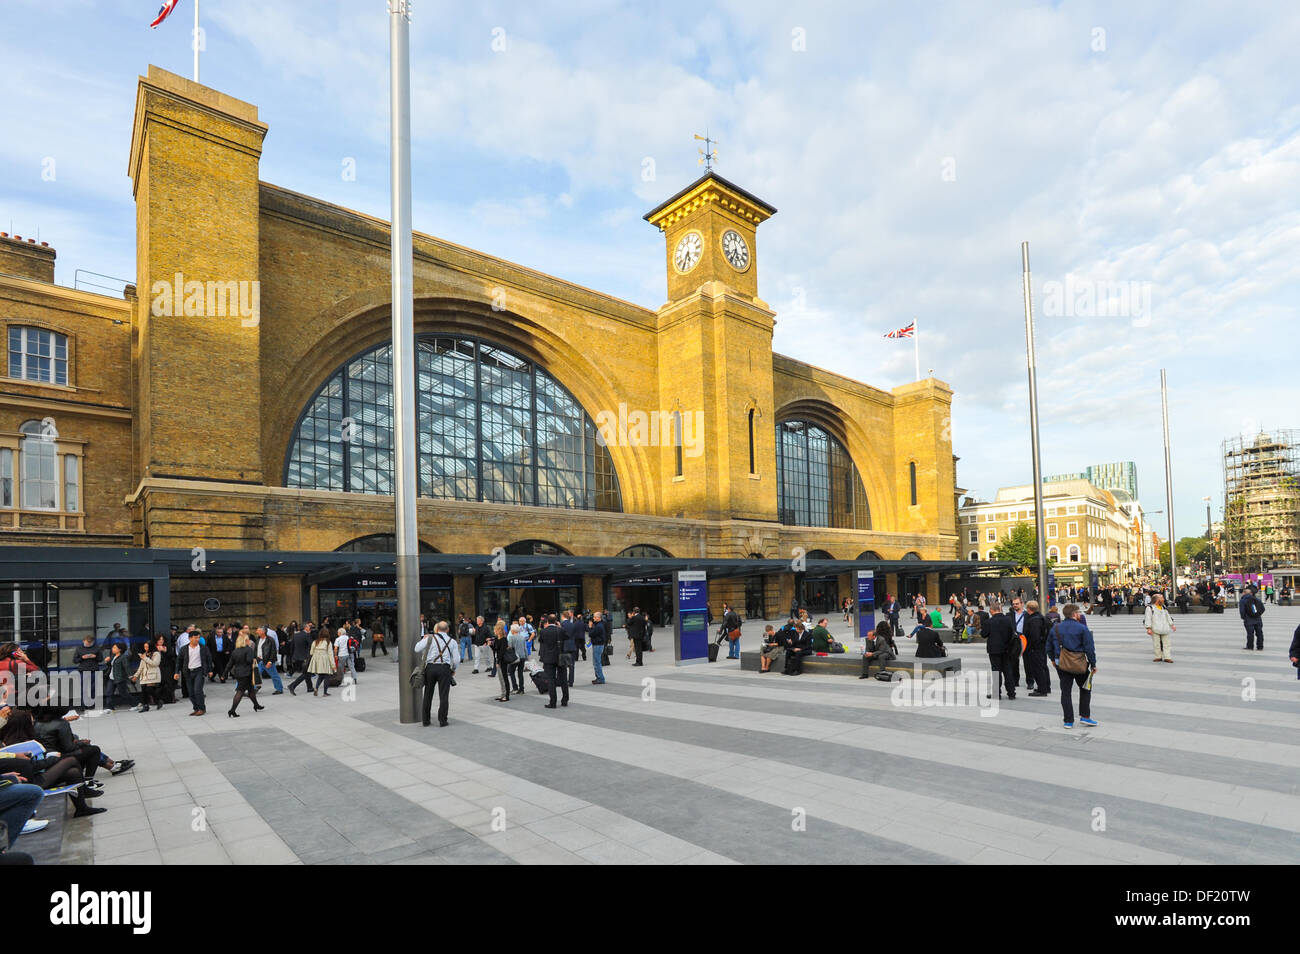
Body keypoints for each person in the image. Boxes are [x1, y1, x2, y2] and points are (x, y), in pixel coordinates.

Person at [1048, 604, 1097, 728]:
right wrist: (1093, 664)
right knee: (1085, 688)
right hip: (1079, 664)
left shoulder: (1056, 628)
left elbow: (1048, 646)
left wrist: (1053, 659)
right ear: (1074, 614)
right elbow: (1089, 648)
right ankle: (1085, 716)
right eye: (1079, 612)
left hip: (1062, 663)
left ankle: (1068, 721)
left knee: (1065, 692)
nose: (1080, 614)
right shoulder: (1082, 628)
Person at [415, 621, 458, 727]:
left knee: (428, 694)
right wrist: (453, 669)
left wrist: (424, 639)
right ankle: (442, 720)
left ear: (437, 629)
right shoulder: (452, 641)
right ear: (447, 630)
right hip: (444, 668)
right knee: (444, 695)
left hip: (430, 667)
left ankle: (426, 720)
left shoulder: (430, 638)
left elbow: (416, 649)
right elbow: (456, 659)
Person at [983, 603, 1019, 700]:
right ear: (1000, 609)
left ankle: (996, 694)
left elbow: (984, 634)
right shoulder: (1008, 620)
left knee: (996, 671)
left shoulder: (989, 622)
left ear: (991, 610)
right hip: (1007, 649)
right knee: (1008, 671)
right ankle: (1011, 693)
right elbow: (1012, 633)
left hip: (994, 650)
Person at [223, 632, 264, 718]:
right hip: (247, 673)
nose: (249, 641)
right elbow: (249, 661)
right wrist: (257, 659)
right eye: (248, 639)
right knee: (240, 692)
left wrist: (224, 674)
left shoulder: (235, 651)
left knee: (251, 690)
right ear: (245, 641)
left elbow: (230, 664)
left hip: (238, 673)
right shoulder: (248, 649)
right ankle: (232, 710)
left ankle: (256, 705)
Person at [175, 630, 214, 715]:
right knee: (191, 692)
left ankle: (202, 708)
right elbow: (179, 661)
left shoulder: (203, 648)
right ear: (190, 638)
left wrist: (210, 670)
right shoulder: (184, 649)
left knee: (197, 690)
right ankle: (196, 708)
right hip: (188, 672)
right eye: (195, 638)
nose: (197, 639)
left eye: (198, 637)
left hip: (199, 671)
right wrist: (176, 672)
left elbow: (209, 659)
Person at [537, 614, 569, 708]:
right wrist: (560, 627)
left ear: (547, 621)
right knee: (563, 679)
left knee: (551, 680)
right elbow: (567, 637)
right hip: (561, 656)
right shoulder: (560, 629)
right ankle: (565, 700)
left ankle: (553, 702)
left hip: (549, 658)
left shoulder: (544, 631)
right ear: (556, 621)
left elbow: (541, 641)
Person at [1023, 600, 1051, 696]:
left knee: (1038, 668)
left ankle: (1042, 689)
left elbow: (1034, 636)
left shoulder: (1033, 620)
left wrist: (1030, 647)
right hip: (1042, 647)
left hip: (1035, 648)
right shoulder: (1041, 617)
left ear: (1028, 609)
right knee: (1043, 667)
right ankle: (1046, 687)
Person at [1144, 593, 1177, 663]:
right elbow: (1148, 618)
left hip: (1165, 628)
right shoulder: (1150, 608)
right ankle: (1158, 656)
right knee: (1156, 643)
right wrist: (1148, 628)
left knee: (1167, 643)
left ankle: (1167, 657)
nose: (1163, 599)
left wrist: (1172, 625)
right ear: (1157, 600)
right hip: (1155, 628)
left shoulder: (1163, 607)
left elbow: (1168, 616)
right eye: (1161, 598)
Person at [130, 643, 164, 711]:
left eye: (147, 647)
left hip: (152, 675)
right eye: (145, 647)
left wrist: (145, 658)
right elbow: (141, 667)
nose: (146, 648)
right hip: (144, 676)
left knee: (149, 689)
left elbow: (155, 664)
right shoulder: (144, 655)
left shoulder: (156, 654)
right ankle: (145, 706)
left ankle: (158, 700)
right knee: (144, 692)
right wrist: (136, 676)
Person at [74, 636, 103, 711]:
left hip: (94, 670)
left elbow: (101, 659)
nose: (89, 644)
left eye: (90, 643)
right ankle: (83, 705)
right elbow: (75, 660)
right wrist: (82, 658)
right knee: (83, 689)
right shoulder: (79, 648)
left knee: (93, 689)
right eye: (87, 642)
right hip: (83, 671)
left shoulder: (96, 648)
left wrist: (95, 657)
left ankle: (91, 704)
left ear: (93, 642)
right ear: (83, 641)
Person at [255, 626, 284, 694]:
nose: (257, 632)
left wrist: (270, 661)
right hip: (259, 660)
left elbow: (273, 651)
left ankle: (279, 689)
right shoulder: (258, 639)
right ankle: (254, 688)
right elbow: (256, 650)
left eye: (258, 630)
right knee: (255, 675)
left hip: (267, 661)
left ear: (263, 632)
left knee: (274, 675)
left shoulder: (270, 640)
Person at [307, 631, 336, 697]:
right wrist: (333, 665)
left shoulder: (315, 642)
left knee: (320, 676)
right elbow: (330, 654)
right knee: (327, 676)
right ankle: (325, 692)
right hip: (324, 659)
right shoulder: (328, 642)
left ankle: (316, 688)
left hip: (316, 659)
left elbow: (311, 652)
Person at [288, 622, 314, 693]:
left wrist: (292, 656)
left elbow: (292, 647)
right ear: (305, 628)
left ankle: (310, 687)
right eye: (309, 627)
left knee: (307, 673)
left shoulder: (295, 635)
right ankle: (292, 685)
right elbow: (311, 646)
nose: (310, 628)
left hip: (297, 657)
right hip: (305, 657)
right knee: (306, 673)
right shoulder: (307, 635)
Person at [1239, 586, 1265, 651]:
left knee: (1250, 633)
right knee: (1259, 633)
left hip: (1248, 619)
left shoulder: (1243, 600)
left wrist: (1244, 617)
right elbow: (1263, 608)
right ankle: (1260, 646)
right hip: (1258, 619)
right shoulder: (1257, 599)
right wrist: (1258, 614)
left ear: (1244, 593)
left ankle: (1250, 646)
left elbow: (1242, 611)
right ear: (1251, 593)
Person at [508, 622, 530, 692]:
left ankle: (515, 687)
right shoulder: (522, 637)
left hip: (515, 658)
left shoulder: (511, 638)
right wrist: (526, 657)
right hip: (522, 656)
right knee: (520, 673)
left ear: (513, 630)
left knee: (511, 672)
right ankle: (521, 688)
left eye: (511, 629)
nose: (511, 630)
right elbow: (525, 648)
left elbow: (510, 648)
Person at [588, 612, 608, 685]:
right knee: (596, 662)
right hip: (598, 644)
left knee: (597, 662)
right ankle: (598, 677)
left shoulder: (599, 626)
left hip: (598, 645)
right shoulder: (599, 624)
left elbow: (591, 634)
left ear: (598, 618)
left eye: (594, 617)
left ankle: (601, 678)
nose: (593, 618)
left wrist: (590, 627)